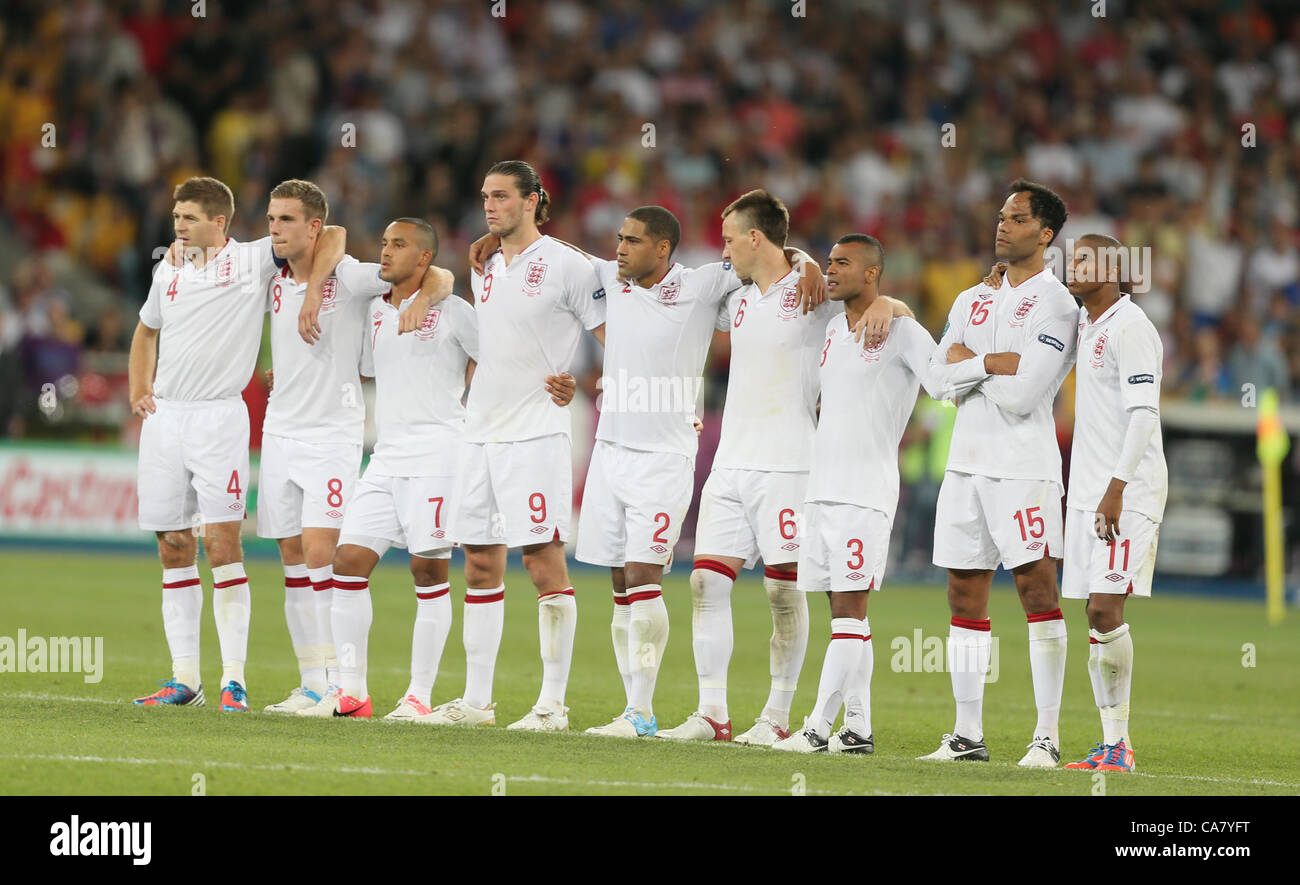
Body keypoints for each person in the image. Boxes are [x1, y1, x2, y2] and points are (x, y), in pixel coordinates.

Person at [680, 190, 902, 746]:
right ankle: (712, 713)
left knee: (783, 592)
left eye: (731, 237)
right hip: (730, 462)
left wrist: (887, 306)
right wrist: (799, 255)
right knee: (706, 580)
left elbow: (889, 307)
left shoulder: (817, 294)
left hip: (790, 466)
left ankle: (777, 716)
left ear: (755, 238)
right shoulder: (737, 297)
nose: (723, 248)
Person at [128, 176, 343, 711]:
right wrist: (138, 386)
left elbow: (332, 235)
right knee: (173, 546)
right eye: (176, 217)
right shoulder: (168, 268)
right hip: (165, 421)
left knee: (223, 545)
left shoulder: (251, 262)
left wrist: (314, 291)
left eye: (190, 217)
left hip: (219, 420)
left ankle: (233, 679)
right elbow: (146, 329)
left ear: (219, 222)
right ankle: (185, 679)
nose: (178, 225)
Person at [772, 234, 983, 754]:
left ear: (872, 273)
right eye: (829, 261)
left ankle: (817, 728)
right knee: (844, 616)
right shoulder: (832, 329)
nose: (831, 269)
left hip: (865, 492)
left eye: (843, 262)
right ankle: (858, 728)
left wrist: (986, 362)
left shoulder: (901, 329)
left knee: (848, 611)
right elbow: (786, 257)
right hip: (821, 491)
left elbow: (941, 385)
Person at [255, 182, 452, 715]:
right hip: (279, 432)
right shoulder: (272, 274)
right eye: (271, 218)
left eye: (287, 220)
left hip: (331, 435)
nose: (274, 228)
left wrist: (321, 289)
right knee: (293, 563)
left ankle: (344, 686)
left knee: (326, 558)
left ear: (313, 227)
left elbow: (433, 273)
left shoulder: (348, 274)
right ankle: (313, 681)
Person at [427, 160, 604, 730]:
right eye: (485, 196)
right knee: (479, 562)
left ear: (532, 202)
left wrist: (584, 381)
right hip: (478, 430)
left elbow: (616, 334)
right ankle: (477, 703)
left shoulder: (569, 265)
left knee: (542, 560)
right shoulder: (484, 263)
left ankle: (553, 705)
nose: (489, 205)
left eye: (501, 196)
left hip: (535, 432)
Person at [918, 179, 1078, 766]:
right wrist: (994, 365)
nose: (1001, 225)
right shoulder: (970, 299)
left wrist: (972, 362)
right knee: (964, 593)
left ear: (1045, 233)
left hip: (1022, 469)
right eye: (1000, 216)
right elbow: (936, 382)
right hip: (965, 465)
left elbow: (1026, 394)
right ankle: (966, 735)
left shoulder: (1059, 303)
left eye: (1015, 218)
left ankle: (1047, 736)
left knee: (1037, 589)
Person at [1057, 234, 1166, 772]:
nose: (1071, 266)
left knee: (1105, 607)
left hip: (1126, 491)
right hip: (1089, 494)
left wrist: (1117, 489)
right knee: (1094, 615)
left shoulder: (1132, 327)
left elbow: (1144, 414)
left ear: (1113, 269)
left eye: (1082, 259)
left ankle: (1120, 745)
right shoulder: (1085, 321)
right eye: (1069, 258)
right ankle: (1110, 744)